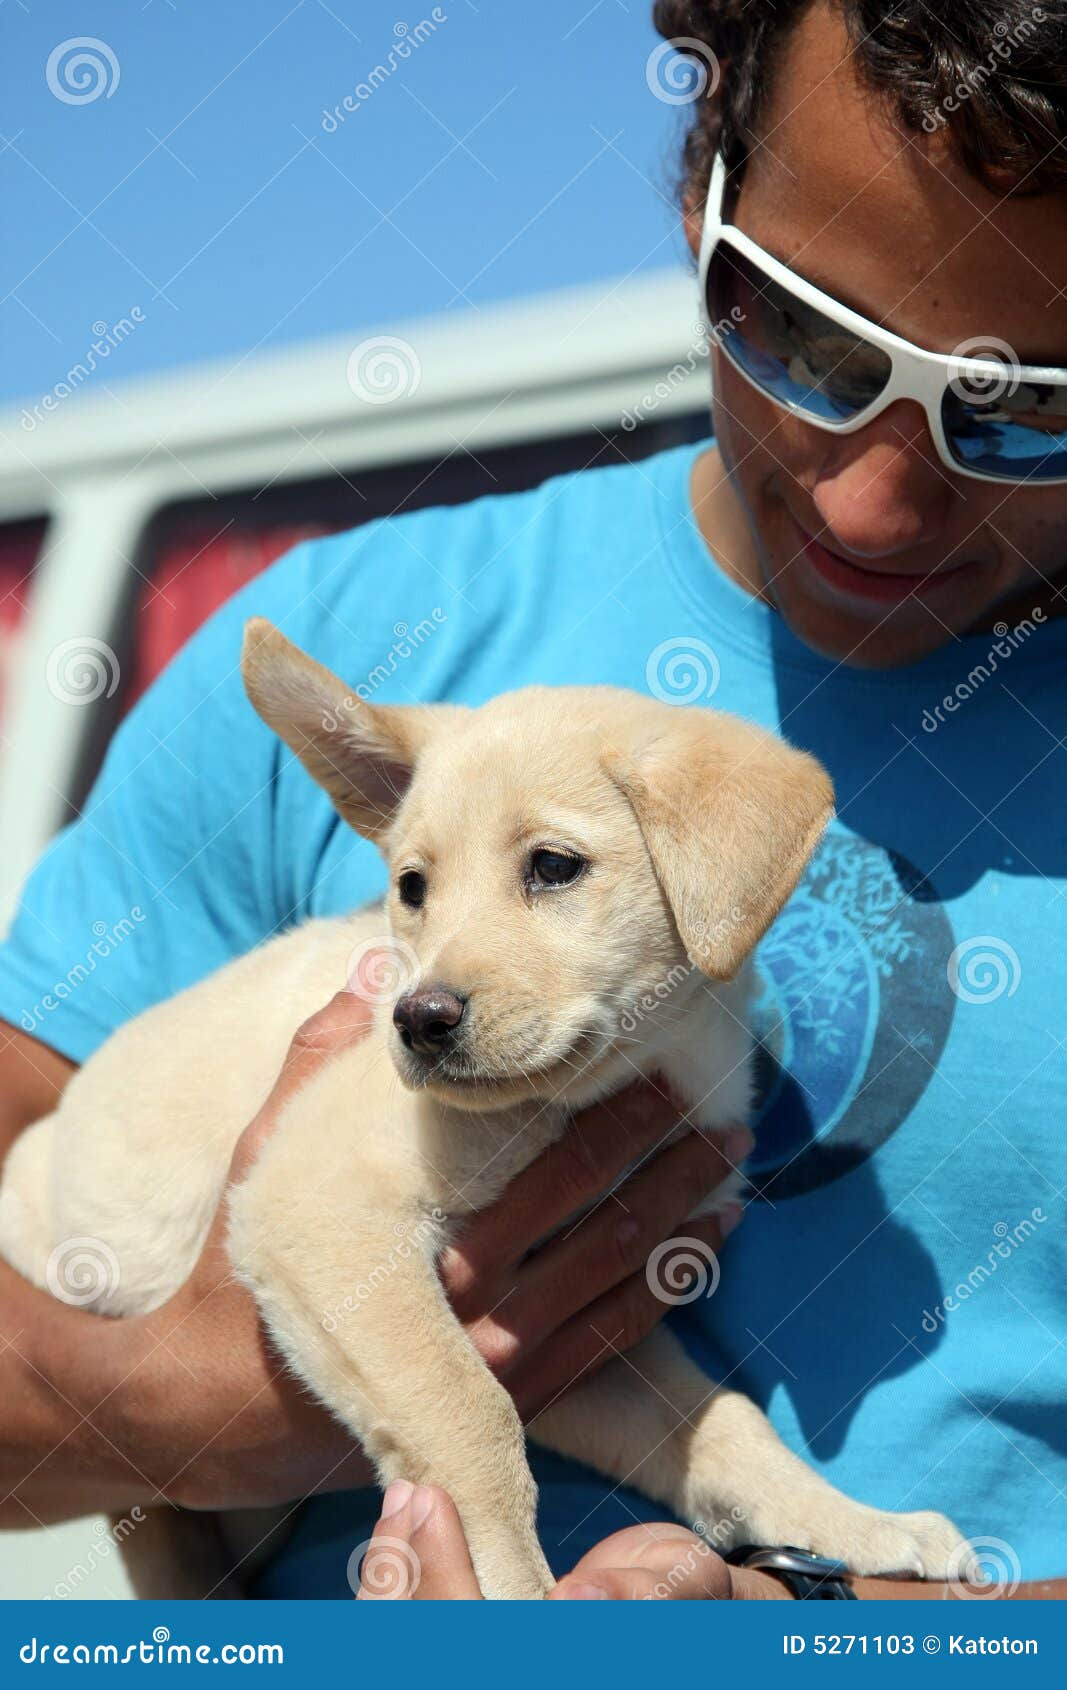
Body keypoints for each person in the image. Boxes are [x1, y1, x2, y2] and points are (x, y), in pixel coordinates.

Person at [1, 0, 1064, 1599]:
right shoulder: (370, 653)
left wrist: (888, 1643)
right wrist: (200, 1402)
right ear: (702, 172)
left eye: (1029, 404)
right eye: (807, 338)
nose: (873, 492)